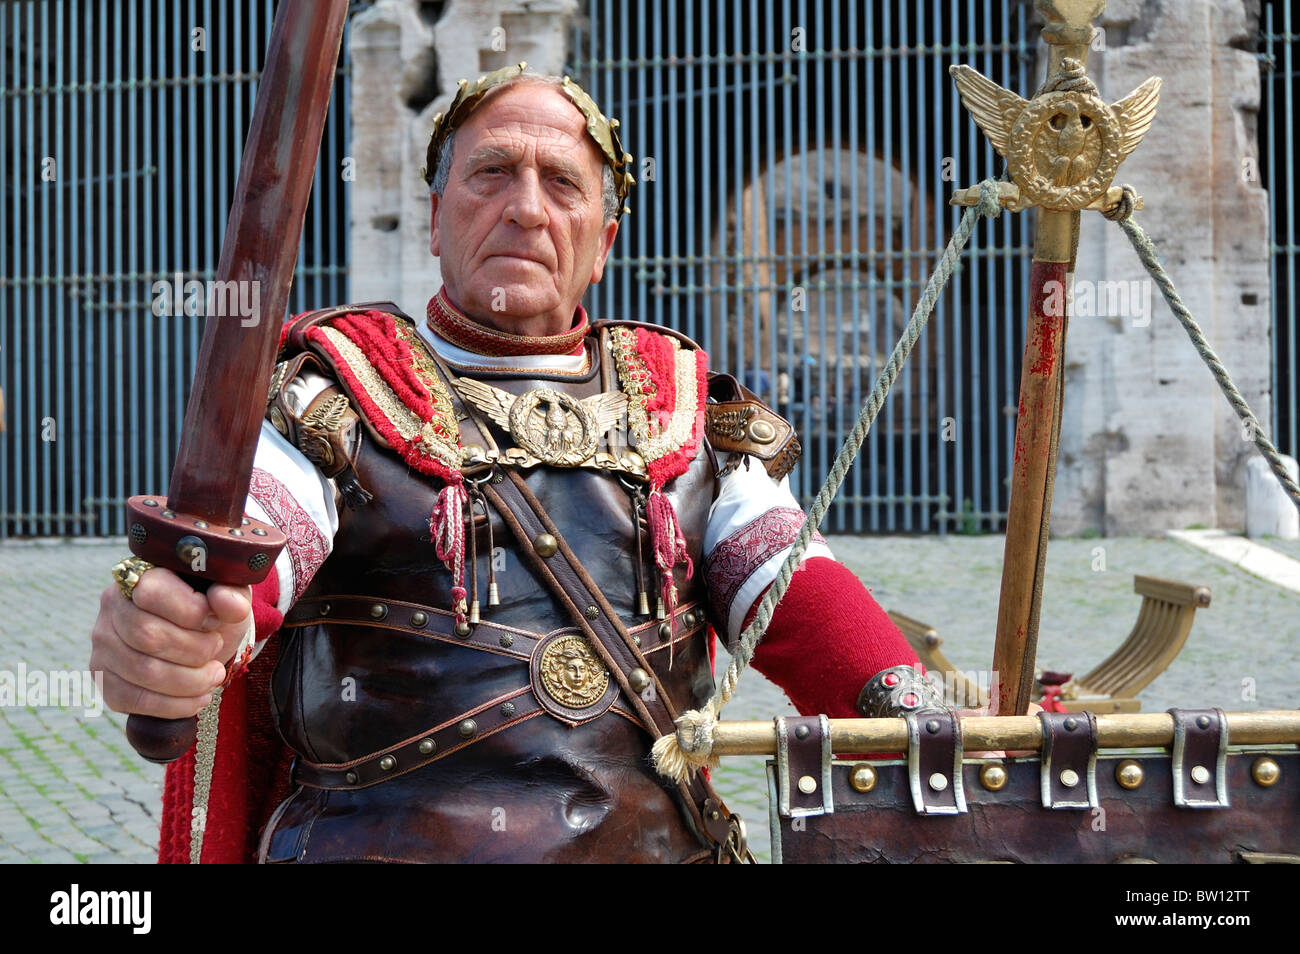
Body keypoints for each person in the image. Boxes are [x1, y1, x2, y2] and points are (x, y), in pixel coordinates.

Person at [89, 64, 940, 864]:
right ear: (435, 218)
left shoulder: (680, 404)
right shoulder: (339, 386)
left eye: (561, 183)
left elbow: (785, 577)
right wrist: (180, 626)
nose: (526, 209)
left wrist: (919, 710)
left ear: (603, 242)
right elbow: (260, 538)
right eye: (492, 173)